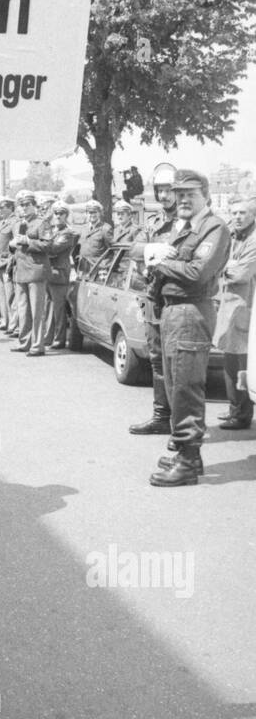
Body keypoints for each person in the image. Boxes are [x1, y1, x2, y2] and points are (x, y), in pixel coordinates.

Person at [147, 169, 231, 486]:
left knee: (186, 387)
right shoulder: (187, 228)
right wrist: (155, 258)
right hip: (173, 312)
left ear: (205, 196)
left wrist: (159, 262)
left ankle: (188, 459)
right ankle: (185, 451)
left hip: (191, 312)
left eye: (189, 194)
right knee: (174, 386)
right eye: (178, 194)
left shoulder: (214, 228)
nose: (182, 199)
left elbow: (197, 273)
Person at [128, 162, 180, 435]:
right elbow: (133, 250)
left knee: (178, 365)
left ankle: (181, 424)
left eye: (169, 190)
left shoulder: (188, 222)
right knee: (157, 361)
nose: (164, 196)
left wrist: (154, 258)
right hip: (153, 299)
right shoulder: (153, 222)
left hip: (176, 301)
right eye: (160, 191)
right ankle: (161, 416)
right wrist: (151, 248)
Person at [212, 197, 256, 430]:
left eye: (242, 213)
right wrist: (226, 265)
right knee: (229, 360)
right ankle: (234, 409)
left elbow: (241, 274)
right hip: (229, 306)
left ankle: (241, 415)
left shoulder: (253, 239)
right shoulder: (234, 236)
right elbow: (218, 262)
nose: (237, 217)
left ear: (253, 215)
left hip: (243, 308)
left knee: (241, 362)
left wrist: (223, 266)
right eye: (234, 213)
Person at [9, 192, 52, 355]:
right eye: (21, 204)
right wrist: (11, 245)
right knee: (23, 310)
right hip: (21, 270)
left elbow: (48, 245)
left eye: (27, 204)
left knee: (37, 310)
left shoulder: (42, 223)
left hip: (36, 270)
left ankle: (37, 345)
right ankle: (25, 341)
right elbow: (15, 246)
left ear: (34, 205)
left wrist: (29, 241)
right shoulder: (18, 224)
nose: (24, 207)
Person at [43, 203, 76, 349]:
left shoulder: (67, 233)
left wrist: (42, 246)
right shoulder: (51, 230)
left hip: (59, 272)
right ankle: (48, 337)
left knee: (58, 309)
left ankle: (59, 338)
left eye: (61, 213)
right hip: (50, 271)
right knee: (48, 307)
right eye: (55, 213)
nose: (57, 216)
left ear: (66, 216)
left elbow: (54, 248)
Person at [0, 197, 17, 331]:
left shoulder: (14, 222)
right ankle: (5, 320)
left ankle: (14, 324)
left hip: (7, 263)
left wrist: (10, 261)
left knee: (10, 295)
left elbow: (16, 243)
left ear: (10, 208)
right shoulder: (1, 222)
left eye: (2, 208)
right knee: (2, 295)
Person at [74, 200, 113, 269]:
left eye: (95, 212)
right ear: (86, 214)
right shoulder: (83, 228)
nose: (92, 215)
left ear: (100, 213)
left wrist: (104, 265)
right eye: (90, 212)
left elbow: (112, 250)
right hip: (83, 268)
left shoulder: (106, 229)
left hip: (98, 269)